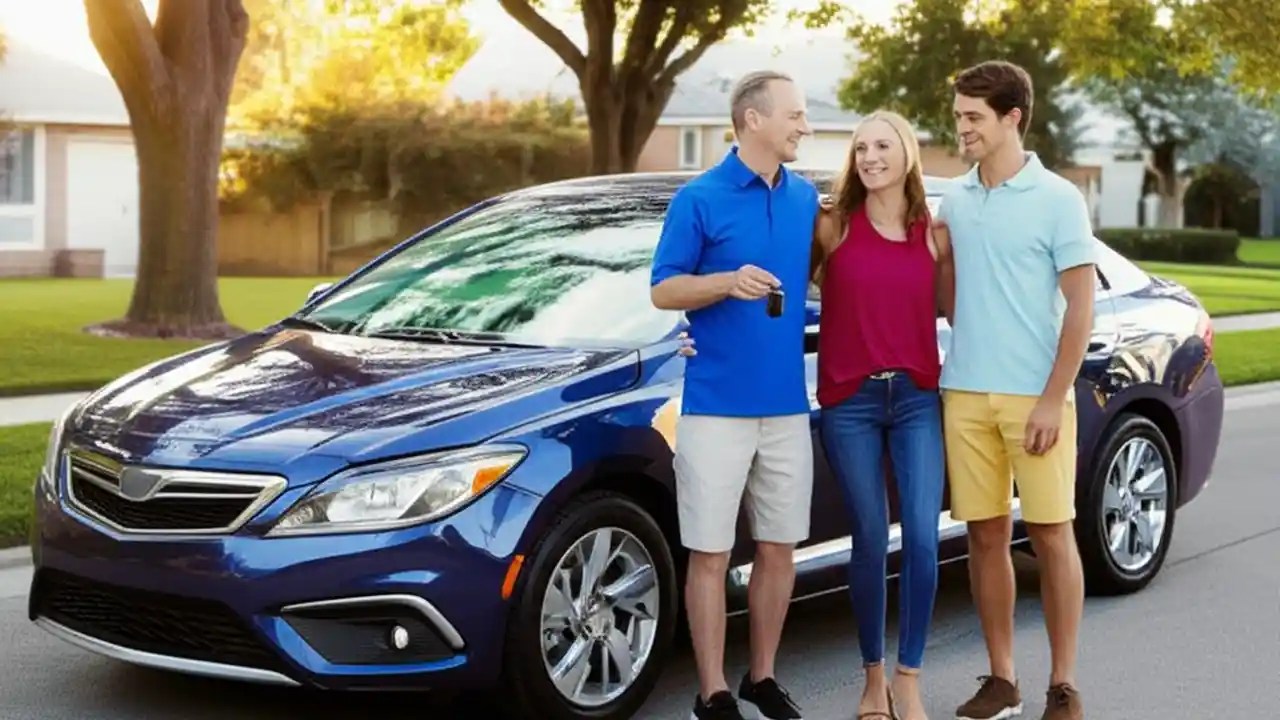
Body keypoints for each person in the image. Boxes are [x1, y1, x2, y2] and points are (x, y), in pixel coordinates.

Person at [650, 69, 816, 720]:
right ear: (753, 120)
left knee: (779, 549)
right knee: (711, 553)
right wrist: (724, 281)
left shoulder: (806, 199)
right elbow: (664, 290)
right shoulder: (700, 198)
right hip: (715, 407)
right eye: (795, 115)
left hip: (786, 406)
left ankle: (762, 677)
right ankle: (713, 691)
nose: (804, 125)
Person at [936, 60, 1095, 720]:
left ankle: (1063, 684)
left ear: (1012, 118)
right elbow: (950, 304)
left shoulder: (1058, 198)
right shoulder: (957, 199)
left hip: (1037, 398)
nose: (962, 129)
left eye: (973, 118)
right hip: (966, 393)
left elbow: (1081, 307)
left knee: (1053, 534)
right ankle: (1002, 680)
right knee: (984, 538)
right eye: (958, 117)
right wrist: (937, 257)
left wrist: (1054, 398)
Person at [811, 109, 954, 720]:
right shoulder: (831, 227)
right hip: (851, 404)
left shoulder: (934, 233)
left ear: (907, 153)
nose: (870, 157)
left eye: (883, 146)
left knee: (922, 539)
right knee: (870, 536)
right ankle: (873, 679)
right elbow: (774, 292)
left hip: (919, 399)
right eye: (861, 147)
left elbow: (958, 308)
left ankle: (909, 677)